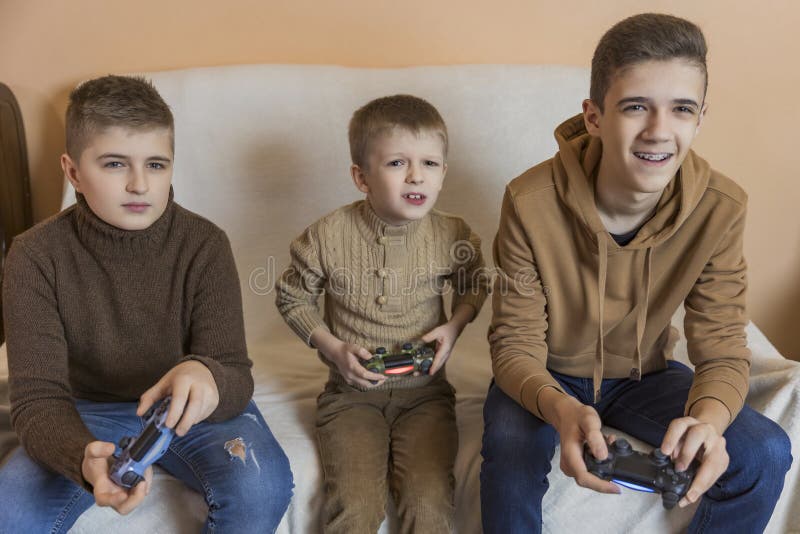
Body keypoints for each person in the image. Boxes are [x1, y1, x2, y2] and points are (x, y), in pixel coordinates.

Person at [480, 13, 792, 533]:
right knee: (510, 451)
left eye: (681, 109)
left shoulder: (721, 207)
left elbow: (720, 342)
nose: (659, 131)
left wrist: (709, 421)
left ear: (700, 117)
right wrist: (559, 410)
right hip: (548, 373)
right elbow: (514, 343)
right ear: (595, 116)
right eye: (635, 107)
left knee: (764, 451)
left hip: (645, 376)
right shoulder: (529, 200)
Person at [0, 75, 293, 532]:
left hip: (191, 413)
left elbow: (235, 373)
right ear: (73, 171)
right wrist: (83, 460)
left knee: (262, 487)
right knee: (11, 510)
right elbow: (39, 399)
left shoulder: (204, 245)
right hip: (84, 410)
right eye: (115, 164)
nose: (140, 184)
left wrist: (207, 375)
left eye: (156, 165)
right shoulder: (34, 256)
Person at [276, 94, 488, 533]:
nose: (416, 176)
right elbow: (292, 297)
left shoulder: (453, 234)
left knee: (429, 507)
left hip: (426, 395)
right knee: (354, 508)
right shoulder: (327, 236)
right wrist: (333, 349)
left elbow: (475, 283)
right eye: (396, 163)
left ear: (443, 173)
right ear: (362, 177)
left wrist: (454, 325)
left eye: (430, 164)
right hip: (351, 397)